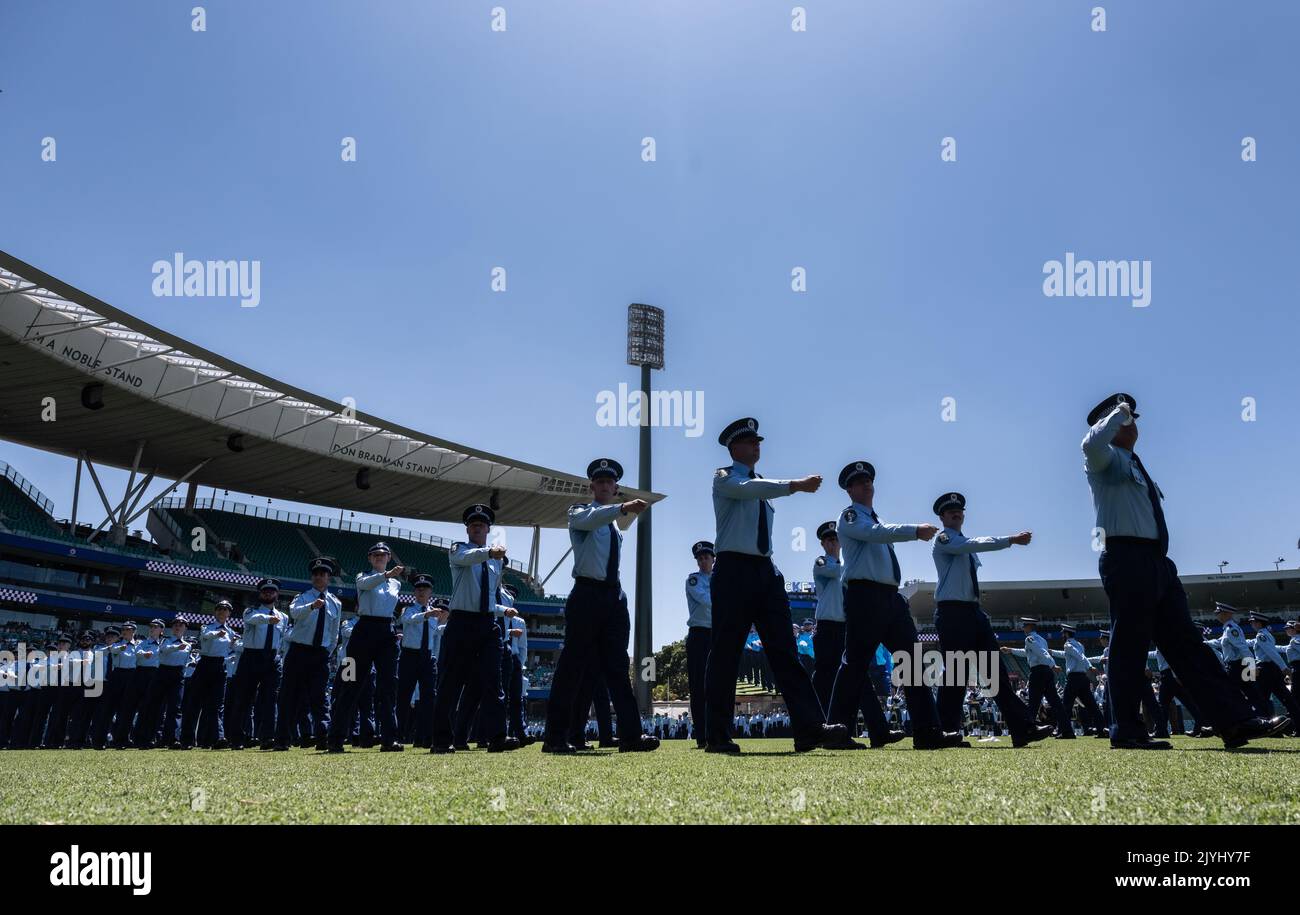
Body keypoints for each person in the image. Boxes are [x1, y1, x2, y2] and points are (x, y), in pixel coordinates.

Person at [1082, 393, 1287, 748]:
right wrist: (1118, 412)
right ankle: (1127, 731)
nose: (1133, 424)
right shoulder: (1105, 461)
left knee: (1188, 645)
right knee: (1129, 643)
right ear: (1112, 422)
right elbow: (1089, 444)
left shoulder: (1134, 464)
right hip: (1125, 557)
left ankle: (1235, 721)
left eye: (1132, 417)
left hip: (1157, 562)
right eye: (1127, 418)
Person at [702, 419, 846, 754]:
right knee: (726, 653)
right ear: (734, 447)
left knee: (785, 651)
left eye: (758, 441)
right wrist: (794, 485)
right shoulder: (725, 477)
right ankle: (717, 735)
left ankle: (810, 728)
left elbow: (759, 497)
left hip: (765, 571)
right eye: (750, 441)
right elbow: (749, 490)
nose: (757, 446)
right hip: (734, 569)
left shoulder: (760, 485)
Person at [828, 460, 963, 750]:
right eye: (860, 481)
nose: (867, 484)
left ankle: (928, 730)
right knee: (855, 663)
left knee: (913, 662)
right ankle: (836, 731)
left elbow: (880, 534)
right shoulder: (850, 517)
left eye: (869, 480)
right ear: (849, 489)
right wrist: (913, 530)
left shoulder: (876, 520)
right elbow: (876, 534)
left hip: (890, 597)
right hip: (865, 596)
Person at [542, 460, 658, 754]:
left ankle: (631, 735)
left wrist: (618, 513)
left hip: (612, 597)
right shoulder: (581, 512)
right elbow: (588, 521)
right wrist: (622, 508)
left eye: (610, 482)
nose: (605, 486)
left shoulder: (613, 526)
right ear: (591, 486)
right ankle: (556, 736)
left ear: (616, 488)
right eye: (600, 481)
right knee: (572, 667)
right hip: (587, 594)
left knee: (618, 667)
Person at [930, 491, 1051, 748]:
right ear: (941, 517)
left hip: (973, 612)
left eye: (959, 509)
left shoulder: (964, 542)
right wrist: (1010, 540)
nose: (956, 513)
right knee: (956, 674)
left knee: (995, 673)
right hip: (952, 612)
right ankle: (945, 731)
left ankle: (1022, 728)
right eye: (950, 510)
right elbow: (973, 544)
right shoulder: (945, 539)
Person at [431, 505, 517, 753]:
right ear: (467, 529)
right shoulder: (459, 549)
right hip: (461, 623)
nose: (478, 527)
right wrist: (490, 552)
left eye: (482, 524)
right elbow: (466, 558)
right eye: (473, 524)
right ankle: (441, 740)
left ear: (488, 529)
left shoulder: (494, 562)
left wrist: (492, 555)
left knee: (493, 680)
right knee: (450, 683)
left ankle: (497, 737)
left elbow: (490, 595)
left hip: (487, 624)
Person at [328, 543, 404, 753]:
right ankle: (336, 737)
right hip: (364, 631)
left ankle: (389, 738)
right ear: (370, 558)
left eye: (383, 554)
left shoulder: (395, 584)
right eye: (376, 555)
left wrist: (389, 576)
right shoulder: (363, 577)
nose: (379, 557)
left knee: (388, 685)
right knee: (350, 682)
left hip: (386, 631)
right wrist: (386, 574)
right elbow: (367, 584)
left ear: (389, 557)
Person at [277, 561, 341, 751]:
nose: (318, 577)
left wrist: (325, 652)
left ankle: (322, 737)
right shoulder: (303, 597)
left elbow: (334, 632)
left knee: (319, 698)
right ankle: (282, 739)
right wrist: (311, 607)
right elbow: (294, 613)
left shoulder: (335, 603)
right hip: (299, 652)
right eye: (315, 574)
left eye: (323, 574)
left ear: (329, 577)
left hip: (319, 655)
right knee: (289, 696)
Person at [229, 580, 285, 750]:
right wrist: (269, 619)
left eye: (271, 591)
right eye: (265, 591)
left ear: (277, 594)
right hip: (252, 657)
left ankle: (267, 738)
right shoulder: (251, 611)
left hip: (272, 658)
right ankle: (238, 738)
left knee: (270, 700)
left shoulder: (284, 616)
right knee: (244, 699)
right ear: (260, 594)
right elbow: (253, 619)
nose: (268, 594)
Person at [179, 603, 234, 749]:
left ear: (229, 613)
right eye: (220, 609)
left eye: (225, 610)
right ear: (215, 612)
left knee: (216, 704)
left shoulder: (230, 632)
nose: (222, 612)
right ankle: (187, 740)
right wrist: (217, 634)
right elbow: (205, 636)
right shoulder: (207, 627)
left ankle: (216, 738)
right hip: (205, 664)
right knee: (194, 703)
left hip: (220, 665)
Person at [1004, 618, 1071, 737]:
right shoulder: (1041, 639)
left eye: (1024, 626)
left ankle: (1028, 730)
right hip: (1046, 672)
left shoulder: (1029, 639)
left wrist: (1053, 665)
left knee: (1033, 703)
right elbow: (1028, 652)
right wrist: (1011, 650)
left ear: (1030, 627)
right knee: (1056, 703)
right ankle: (1067, 730)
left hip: (1038, 672)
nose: (1023, 628)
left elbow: (1041, 653)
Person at [396, 574, 441, 748]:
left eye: (425, 589)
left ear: (430, 592)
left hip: (427, 657)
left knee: (428, 698)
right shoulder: (408, 609)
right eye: (418, 589)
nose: (421, 591)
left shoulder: (435, 614)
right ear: (414, 591)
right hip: (409, 656)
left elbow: (434, 637)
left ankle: (424, 737)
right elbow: (407, 620)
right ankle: (398, 735)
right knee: (404, 697)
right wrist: (426, 614)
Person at [810, 522, 844, 714]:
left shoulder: (846, 565)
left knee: (843, 674)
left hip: (844, 626)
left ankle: (836, 715)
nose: (833, 543)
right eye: (828, 540)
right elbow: (835, 572)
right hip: (827, 625)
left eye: (835, 539)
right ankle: (816, 716)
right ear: (822, 544)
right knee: (824, 674)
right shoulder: (821, 562)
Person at [1246, 612, 1300, 731]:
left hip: (1266, 670)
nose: (1251, 624)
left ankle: (1267, 727)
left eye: (1253, 622)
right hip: (1270, 669)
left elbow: (1271, 653)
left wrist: (1284, 667)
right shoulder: (1264, 635)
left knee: (1262, 699)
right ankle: (1290, 726)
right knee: (1285, 699)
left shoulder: (1261, 636)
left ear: (1259, 623)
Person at [684, 540, 714, 749]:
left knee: (718, 685)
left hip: (717, 635)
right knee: (698, 687)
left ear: (713, 559)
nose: (704, 561)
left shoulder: (723, 579)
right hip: (699, 634)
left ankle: (719, 732)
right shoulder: (693, 580)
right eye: (700, 558)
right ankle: (702, 735)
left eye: (707, 557)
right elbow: (707, 600)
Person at [1053, 624, 1105, 737]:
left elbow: (1079, 656)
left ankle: (1065, 732)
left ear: (1066, 634)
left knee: (1066, 705)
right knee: (1091, 705)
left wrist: (1090, 666)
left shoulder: (1068, 644)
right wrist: (1052, 652)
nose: (1062, 636)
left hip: (1073, 679)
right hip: (1083, 678)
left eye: (1063, 634)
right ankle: (1102, 729)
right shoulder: (1079, 644)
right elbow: (1069, 655)